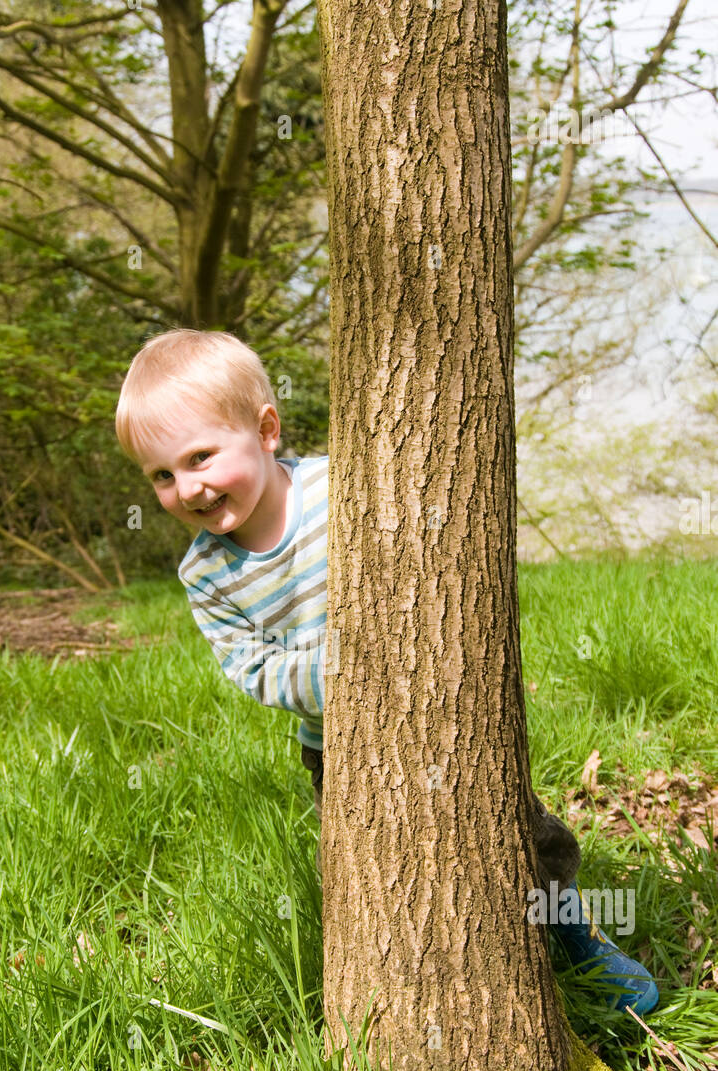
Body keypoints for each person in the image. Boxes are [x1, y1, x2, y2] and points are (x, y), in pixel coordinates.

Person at [115, 328, 659, 1017]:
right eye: (161, 475)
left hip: (437, 709)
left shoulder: (342, 489)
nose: (186, 487)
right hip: (335, 747)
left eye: (200, 456)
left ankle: (573, 937)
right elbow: (249, 669)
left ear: (266, 431)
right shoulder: (205, 571)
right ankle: (411, 989)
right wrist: (340, 672)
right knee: (369, 868)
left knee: (520, 833)